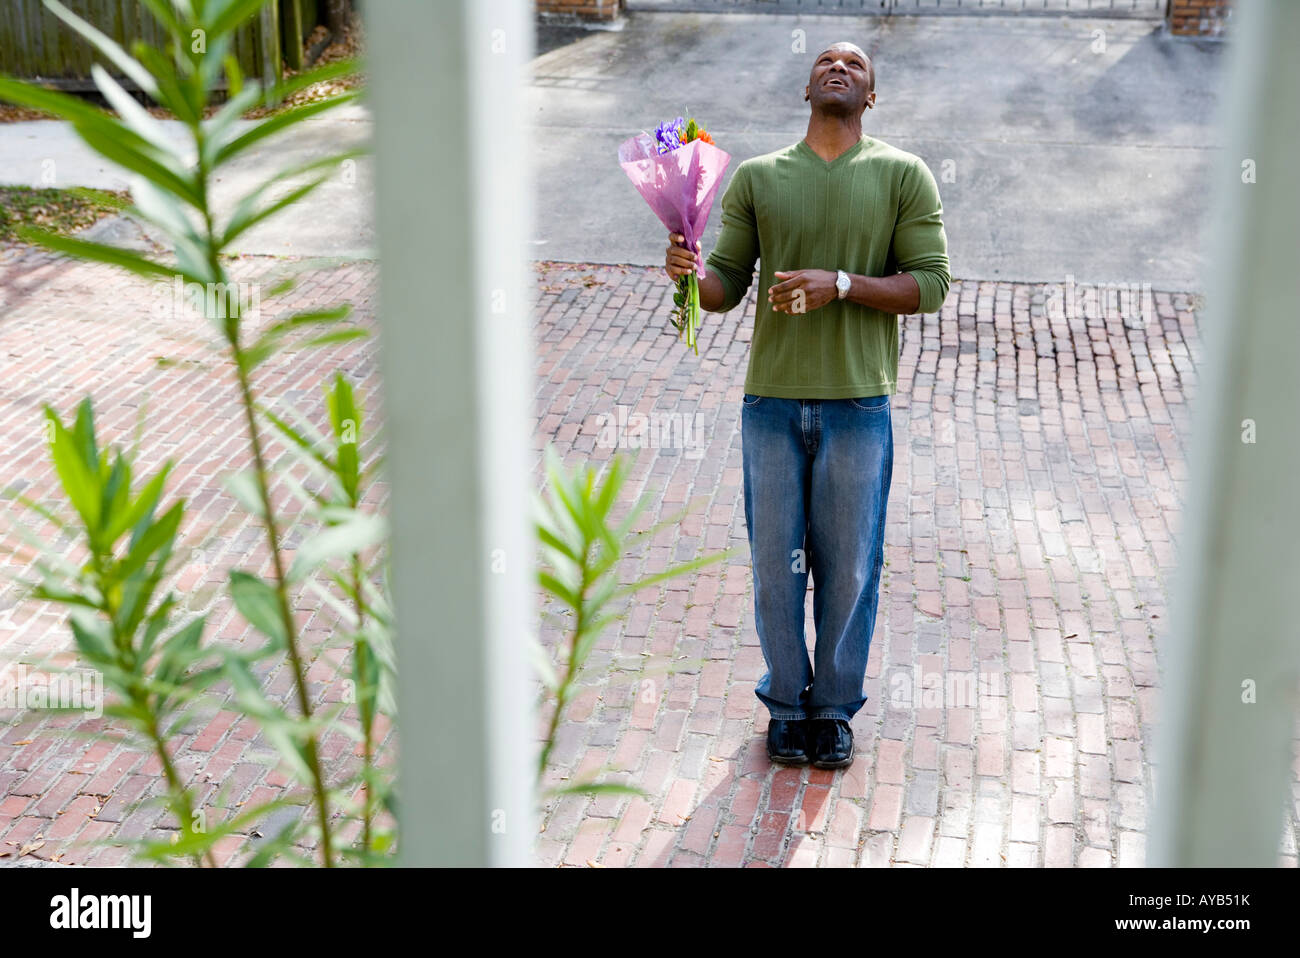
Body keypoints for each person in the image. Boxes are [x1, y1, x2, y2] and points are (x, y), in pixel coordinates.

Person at [664, 41, 950, 769]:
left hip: (859, 406)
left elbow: (931, 284)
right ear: (806, 87)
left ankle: (833, 709)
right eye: (826, 61)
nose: (838, 68)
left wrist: (843, 284)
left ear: (870, 96)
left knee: (850, 567)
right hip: (771, 405)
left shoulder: (903, 174)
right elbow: (724, 286)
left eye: (855, 65)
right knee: (775, 567)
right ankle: (788, 707)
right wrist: (688, 273)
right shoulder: (759, 177)